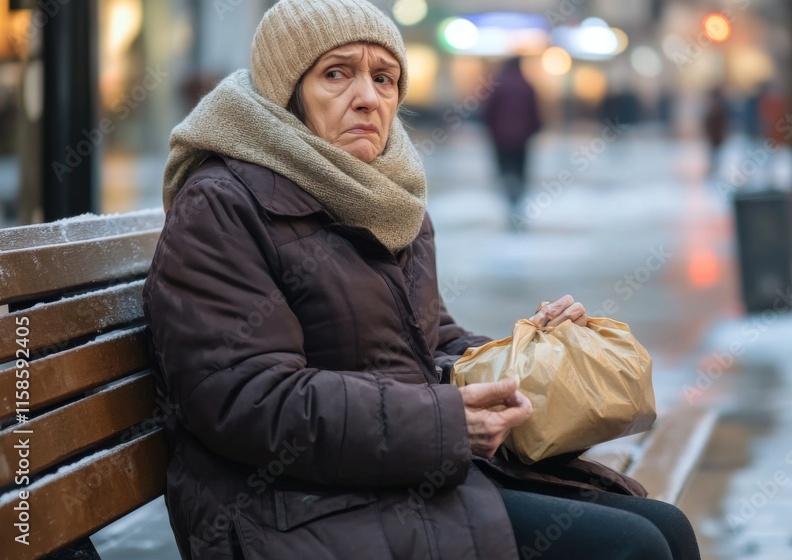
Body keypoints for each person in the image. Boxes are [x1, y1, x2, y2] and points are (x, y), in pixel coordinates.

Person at [143, 1, 700, 558]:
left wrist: (530, 357)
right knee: (634, 548)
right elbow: (247, 398)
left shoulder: (381, 196)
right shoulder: (222, 205)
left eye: (384, 78)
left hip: (389, 477)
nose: (368, 97)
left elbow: (429, 342)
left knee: (667, 527)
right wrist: (443, 424)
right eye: (336, 73)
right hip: (290, 508)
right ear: (284, 92)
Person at [482, 57, 542, 230]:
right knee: (519, 169)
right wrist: (533, 130)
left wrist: (492, 130)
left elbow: (488, 111)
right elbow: (535, 113)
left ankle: (509, 198)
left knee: (504, 169)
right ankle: (517, 200)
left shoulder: (498, 85)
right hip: (522, 139)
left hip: (501, 138)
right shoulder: (526, 85)